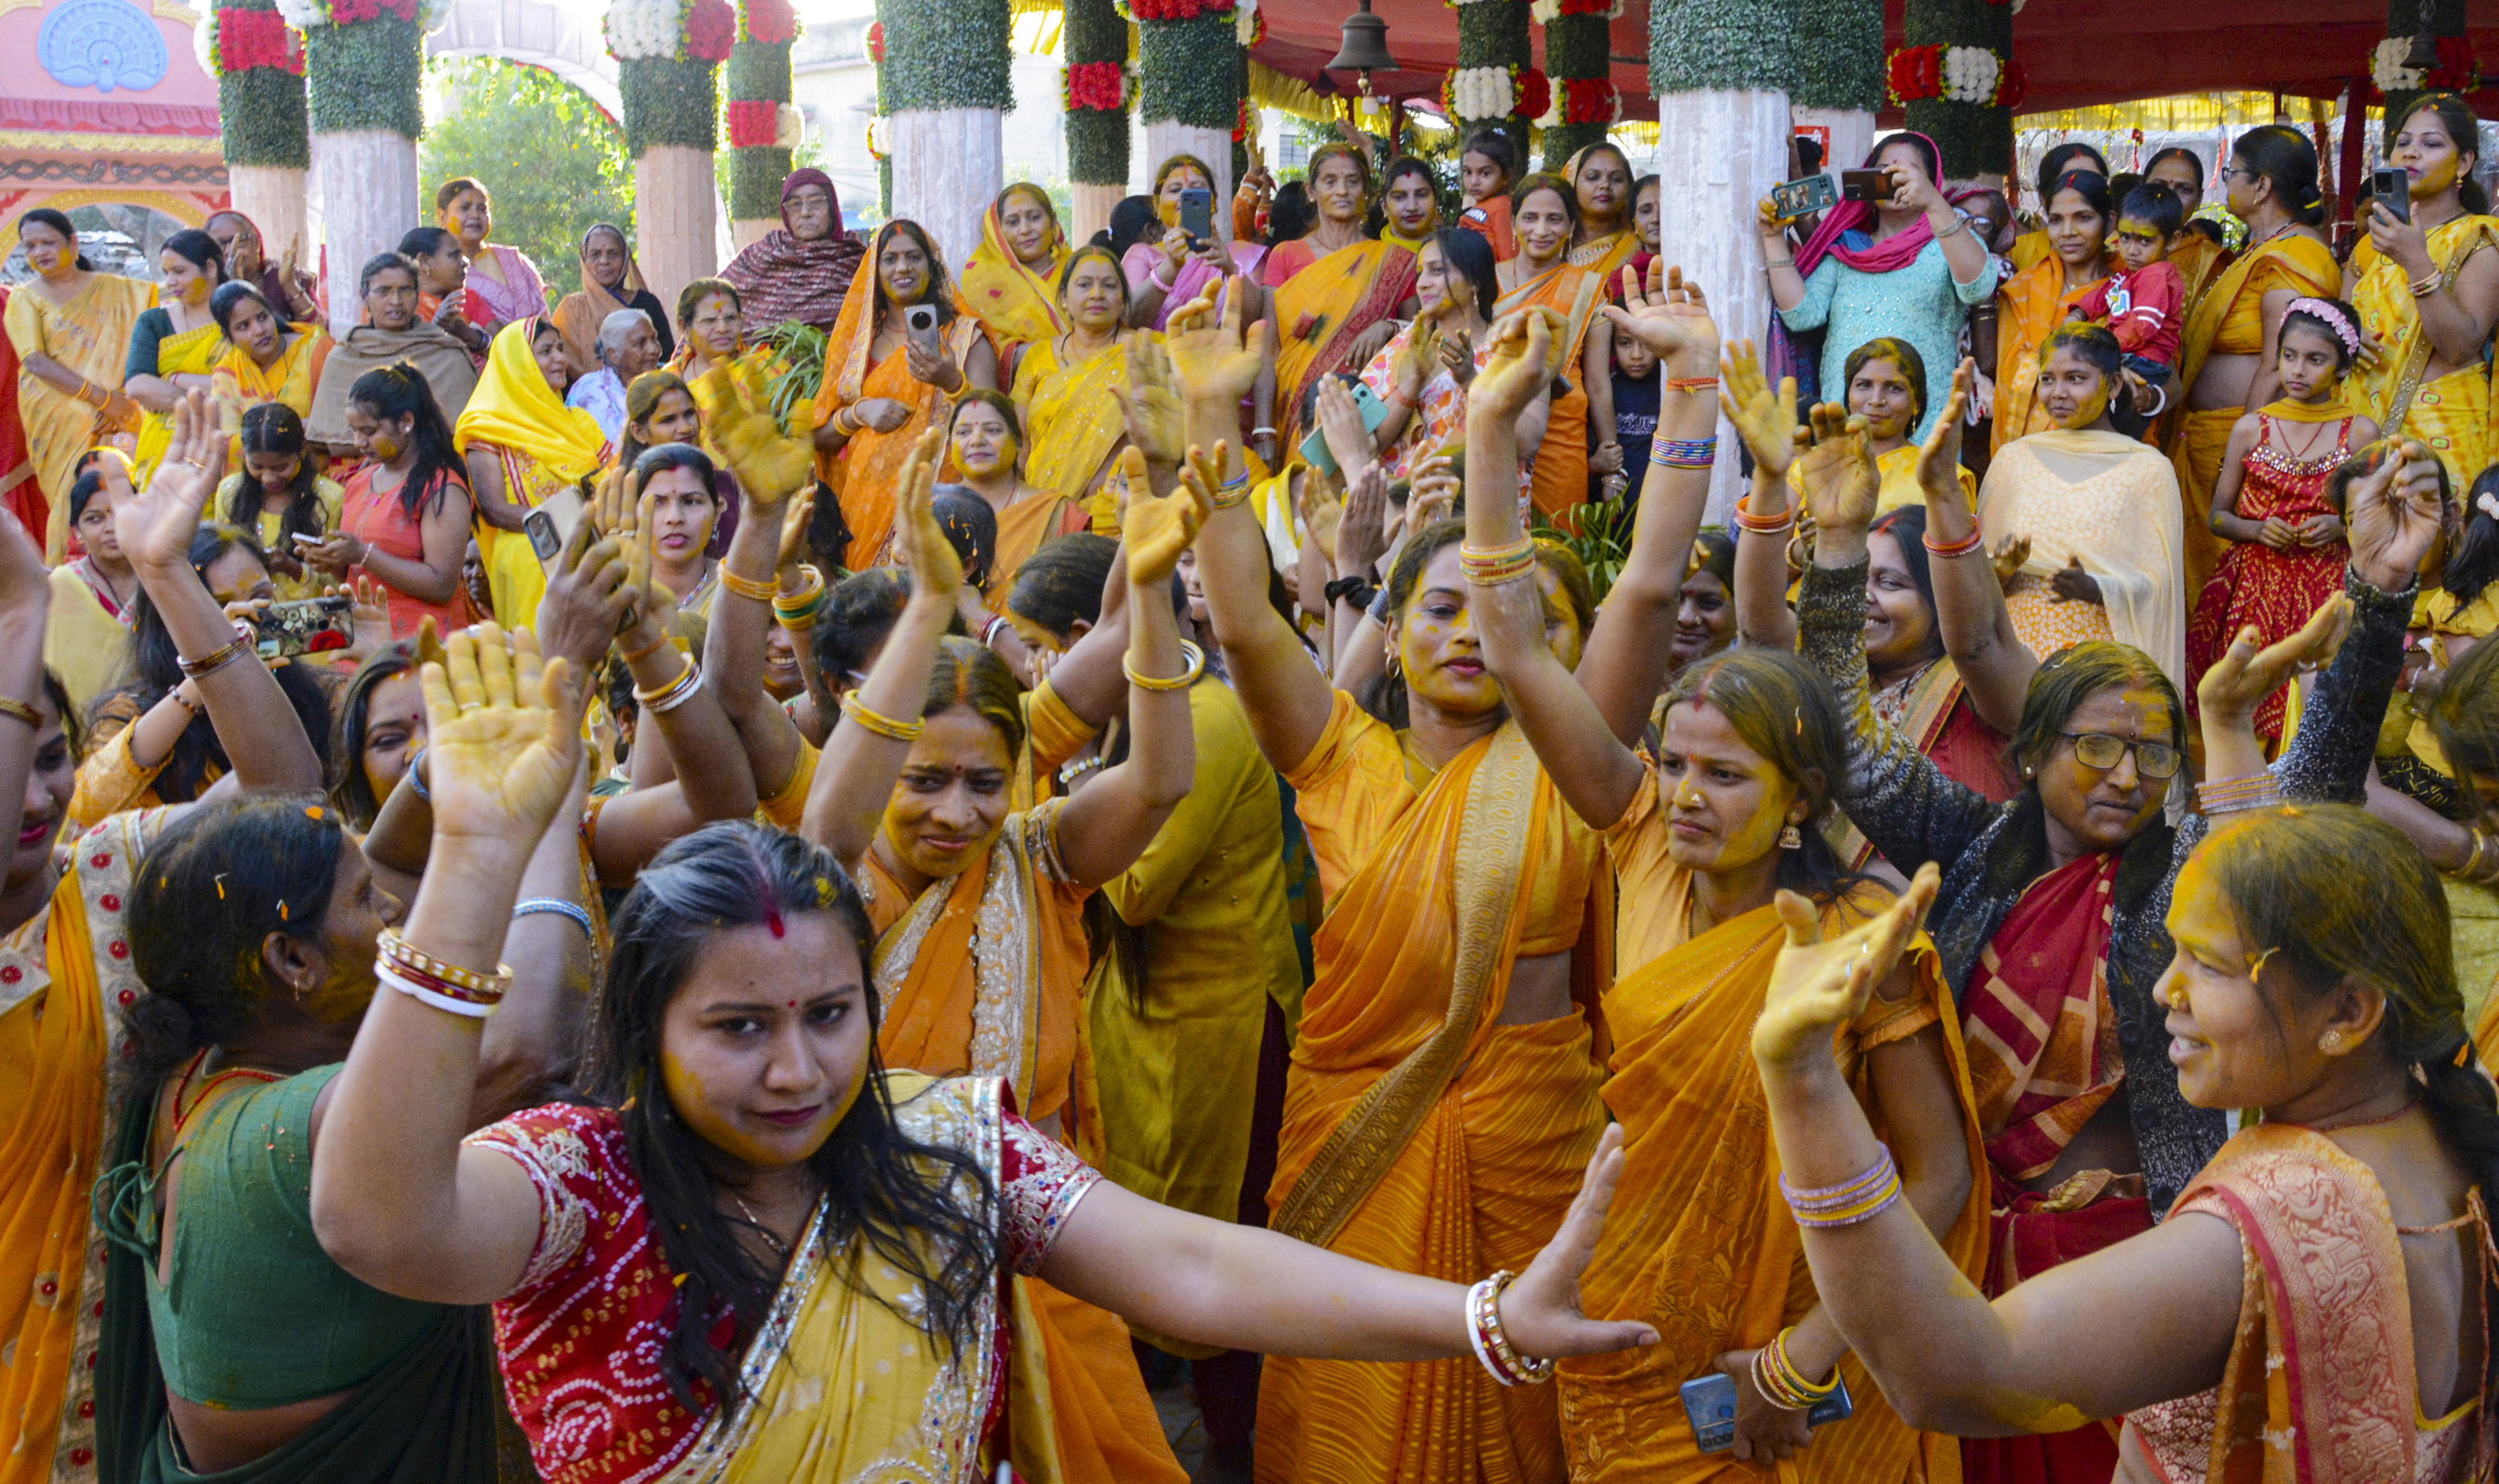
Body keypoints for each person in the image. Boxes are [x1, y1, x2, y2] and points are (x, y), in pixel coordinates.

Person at [302, 592, 1657, 1484]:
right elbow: (377, 1224)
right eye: (736, 1028)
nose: (797, 1069)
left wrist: (1482, 1315)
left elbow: (1187, 1265)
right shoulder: (579, 1186)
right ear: (642, 1028)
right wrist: (475, 859)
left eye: (829, 1016)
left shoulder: (943, 1148)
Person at [1793, 410, 2446, 1484]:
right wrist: (1830, 552)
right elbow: (1853, 755)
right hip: (1962, 1248)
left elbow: (2315, 778)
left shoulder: (2197, 874)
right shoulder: (1975, 850)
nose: (2127, 774)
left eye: (2153, 751)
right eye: (2096, 744)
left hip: (2134, 1262)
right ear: (2035, 748)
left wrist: (2375, 594)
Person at [1454, 294, 1987, 1477]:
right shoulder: (1636, 833)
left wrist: (1798, 1362)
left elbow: (1935, 1171)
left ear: (1801, 799)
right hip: (1641, 1305)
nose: (1684, 794)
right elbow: (1512, 649)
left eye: (1724, 777)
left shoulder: (1861, 933)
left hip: (1810, 1342)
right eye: (1674, 765)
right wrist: (1490, 440)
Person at [1185, 270, 1703, 1480]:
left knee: (1533, 1424)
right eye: (1436, 609)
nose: (1467, 631)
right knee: (1355, 1418)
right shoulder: (1334, 758)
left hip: (1532, 1142)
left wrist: (1686, 383)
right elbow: (1249, 624)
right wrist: (1213, 420)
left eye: (1503, 616)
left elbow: (1650, 583)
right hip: (1355, 1138)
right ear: (1396, 633)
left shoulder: (1573, 762)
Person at [0, 391, 326, 1484]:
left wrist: (171, 578)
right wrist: (18, 622)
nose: (41, 794)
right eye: (19, 758)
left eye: (55, 759)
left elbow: (287, 795)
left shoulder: (106, 871)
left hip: (116, 1350)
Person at [90, 775, 587, 1481]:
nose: (392, 907)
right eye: (363, 899)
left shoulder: (195, 1071)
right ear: (292, 961)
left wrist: (436, 772)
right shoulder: (304, 1126)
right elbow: (527, 1050)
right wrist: (554, 807)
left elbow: (380, 871)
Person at [1724, 354, 2023, 824]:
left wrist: (1944, 491)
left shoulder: (1975, 688)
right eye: (1857, 579)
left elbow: (1979, 644)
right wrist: (1769, 478)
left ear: (1935, 597)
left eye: (1889, 582)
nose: (1860, 596)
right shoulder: (1827, 678)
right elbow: (1759, 627)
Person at [2184, 298, 2376, 743]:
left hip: (2325, 592)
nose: (2298, 371)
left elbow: (2375, 518)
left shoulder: (2360, 433)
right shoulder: (2251, 428)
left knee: (2312, 716)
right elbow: (2217, 516)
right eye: (2288, 356)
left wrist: (2340, 527)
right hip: (2254, 591)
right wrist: (2254, 529)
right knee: (2244, 711)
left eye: (2316, 360)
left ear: (2343, 367)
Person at [2172, 125, 2340, 604]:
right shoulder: (2262, 249)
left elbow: (2279, 365)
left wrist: (2246, 453)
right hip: (2210, 436)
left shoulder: (2293, 257)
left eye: (2232, 173)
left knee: (2236, 587)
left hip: (2244, 444)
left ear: (2262, 186)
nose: (2227, 183)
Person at [73, 522, 335, 822]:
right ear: (168, 622)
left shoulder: (317, 692)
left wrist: (376, 657)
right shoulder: (131, 712)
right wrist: (208, 671)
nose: (247, 620)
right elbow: (87, 806)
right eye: (220, 608)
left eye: (261, 597)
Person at [1983, 323, 2187, 687]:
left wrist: (2094, 589)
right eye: (2047, 379)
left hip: (2100, 669)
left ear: (2112, 386)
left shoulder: (2148, 468)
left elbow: (2160, 588)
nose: (2057, 393)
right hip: (2010, 663)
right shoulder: (2013, 459)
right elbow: (1971, 584)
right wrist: (2000, 569)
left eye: (2075, 379)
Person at [1766, 132, 1994, 442]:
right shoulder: (1849, 247)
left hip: (1920, 427)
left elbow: (1978, 288)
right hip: (1846, 421)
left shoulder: (1949, 243)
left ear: (1931, 180)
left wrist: (1934, 204)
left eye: (1908, 170)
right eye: (1883, 169)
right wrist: (1772, 239)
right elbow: (1802, 315)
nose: (1893, 178)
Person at [811, 220, 998, 568]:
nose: (903, 268)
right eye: (891, 259)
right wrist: (858, 414)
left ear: (933, 265)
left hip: (937, 507)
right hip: (861, 510)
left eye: (914, 257)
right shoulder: (856, 343)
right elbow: (819, 436)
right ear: (874, 270)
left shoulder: (965, 335)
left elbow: (993, 419)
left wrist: (951, 382)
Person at [2345, 93, 2499, 496]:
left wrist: (2415, 260)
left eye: (2431, 144)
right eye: (2404, 142)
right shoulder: (2373, 246)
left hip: (2440, 432)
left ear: (2463, 163)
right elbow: (2339, 320)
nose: (2412, 152)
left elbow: (2460, 346)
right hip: (2363, 428)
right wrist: (2345, 334)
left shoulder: (2478, 239)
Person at [6, 208, 154, 557]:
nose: (39, 252)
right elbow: (35, 362)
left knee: (121, 490)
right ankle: (73, 586)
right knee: (69, 499)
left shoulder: (122, 293)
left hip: (119, 418)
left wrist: (119, 403)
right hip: (60, 421)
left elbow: (142, 348)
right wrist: (104, 400)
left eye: (48, 242)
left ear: (72, 242)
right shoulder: (24, 298)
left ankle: (135, 579)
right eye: (30, 246)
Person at [456, 317, 610, 630]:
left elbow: (611, 480)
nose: (560, 359)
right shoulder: (486, 429)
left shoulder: (580, 421)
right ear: (519, 363)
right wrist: (568, 529)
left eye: (560, 349)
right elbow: (494, 509)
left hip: (592, 548)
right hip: (530, 555)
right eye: (546, 351)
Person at [1262, 144, 1421, 447]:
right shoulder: (1285, 256)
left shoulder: (1393, 262)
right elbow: (1269, 349)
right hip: (1296, 411)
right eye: (1330, 181)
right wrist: (1263, 431)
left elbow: (1419, 336)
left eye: (1353, 181)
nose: (1342, 191)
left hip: (1371, 412)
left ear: (1367, 190)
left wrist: (1388, 326)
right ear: (1311, 190)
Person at [303, 362, 475, 638]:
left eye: (370, 431)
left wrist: (364, 554)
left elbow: (442, 584)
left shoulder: (442, 486)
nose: (359, 442)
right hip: (363, 641)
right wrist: (332, 561)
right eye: (354, 430)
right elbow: (358, 575)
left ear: (406, 422)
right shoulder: (359, 482)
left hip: (422, 645)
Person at [1012, 243, 1152, 528]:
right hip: (1042, 513)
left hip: (1118, 513)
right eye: (1084, 285)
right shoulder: (1038, 357)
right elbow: (1020, 446)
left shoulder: (1148, 351)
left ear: (1124, 297)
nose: (1097, 295)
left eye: (1110, 285)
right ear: (1064, 298)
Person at [1495, 175, 1608, 515]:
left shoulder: (1588, 289)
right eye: (1530, 218)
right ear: (1514, 223)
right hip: (1498, 423)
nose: (1541, 230)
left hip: (1561, 436)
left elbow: (1598, 382)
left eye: (1554, 219)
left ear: (1571, 226)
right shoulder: (1487, 281)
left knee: (1559, 551)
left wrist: (1610, 450)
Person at [1354, 229, 1501, 480]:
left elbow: (1526, 442)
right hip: (1404, 505)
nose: (1422, 284)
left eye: (1437, 270)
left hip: (1481, 504)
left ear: (1475, 279)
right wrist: (1416, 379)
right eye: (1421, 273)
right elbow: (1366, 442)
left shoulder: (1508, 347)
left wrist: (1470, 381)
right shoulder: (1406, 344)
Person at [1993, 170, 2117, 450]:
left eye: (2083, 218)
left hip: (2097, 449)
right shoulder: (2024, 288)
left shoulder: (2129, 291)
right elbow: (2005, 374)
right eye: (2057, 220)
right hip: (2021, 450)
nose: (2068, 232)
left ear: (2110, 222)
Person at [307, 254, 478, 456]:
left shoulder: (447, 355)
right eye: (384, 292)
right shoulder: (345, 356)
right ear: (365, 297)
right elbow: (334, 443)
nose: (396, 301)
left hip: (434, 471)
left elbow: (468, 436)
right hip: (360, 474)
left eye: (405, 291)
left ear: (418, 296)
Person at [949, 389, 1084, 607]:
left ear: (1019, 442)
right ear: (950, 445)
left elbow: (1077, 597)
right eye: (963, 433)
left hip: (1031, 639)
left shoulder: (1054, 511)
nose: (977, 440)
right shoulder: (930, 510)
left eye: (992, 430)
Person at [124, 230, 229, 483]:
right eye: (167, 273)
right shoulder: (155, 322)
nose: (170, 281)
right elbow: (138, 385)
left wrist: (173, 379)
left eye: (179, 272)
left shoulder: (240, 317)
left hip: (231, 447)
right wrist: (214, 402)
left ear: (211, 268)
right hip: (165, 452)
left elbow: (251, 384)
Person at [215, 403, 345, 601]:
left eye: (280, 467)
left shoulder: (331, 498)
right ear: (245, 456)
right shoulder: (230, 492)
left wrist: (294, 569)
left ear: (302, 451)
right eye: (257, 466)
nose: (268, 478)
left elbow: (341, 582)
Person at [720, 167, 867, 337]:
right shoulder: (760, 257)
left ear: (832, 208)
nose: (805, 213)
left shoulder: (857, 264)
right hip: (758, 362)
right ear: (785, 212)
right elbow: (711, 301)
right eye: (796, 204)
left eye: (816, 202)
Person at [2071, 181, 2187, 390]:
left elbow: (2141, 328)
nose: (2132, 250)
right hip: (2127, 352)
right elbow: (2106, 293)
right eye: (2125, 237)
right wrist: (2078, 314)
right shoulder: (2132, 273)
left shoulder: (2157, 276)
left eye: (2145, 241)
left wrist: (2102, 346)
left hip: (2144, 360)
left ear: (2172, 241)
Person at [44, 458, 136, 712]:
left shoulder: (164, 576)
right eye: (95, 519)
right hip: (90, 726)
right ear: (77, 532)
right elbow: (63, 673)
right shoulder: (64, 586)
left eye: (119, 513)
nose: (111, 527)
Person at [957, 182, 1070, 382]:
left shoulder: (1078, 269)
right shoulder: (984, 280)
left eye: (1034, 218)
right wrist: (1064, 349)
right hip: (1021, 398)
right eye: (1013, 222)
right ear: (998, 232)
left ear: (1053, 222)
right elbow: (985, 350)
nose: (1025, 229)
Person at [208, 281, 331, 446]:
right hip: (260, 469)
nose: (259, 330)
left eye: (263, 317)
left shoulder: (316, 348)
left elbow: (343, 423)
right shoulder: (228, 371)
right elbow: (230, 441)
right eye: (244, 326)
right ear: (228, 335)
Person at [551, 221, 673, 378]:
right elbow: (565, 366)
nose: (604, 261)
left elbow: (667, 358)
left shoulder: (647, 303)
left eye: (613, 253)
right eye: (595, 255)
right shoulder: (570, 310)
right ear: (585, 260)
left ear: (625, 258)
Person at [435, 176, 547, 339]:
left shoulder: (516, 262)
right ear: (442, 217)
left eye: (482, 209)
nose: (475, 215)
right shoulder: (437, 269)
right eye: (465, 208)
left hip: (532, 357)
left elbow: (543, 319)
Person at [2144, 147, 2230, 314]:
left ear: (2198, 200)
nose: (2169, 197)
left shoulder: (2211, 261)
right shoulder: (2115, 251)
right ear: (2140, 189)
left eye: (2184, 190)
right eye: (2158, 186)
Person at [203, 210, 322, 327]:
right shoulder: (203, 290)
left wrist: (291, 287)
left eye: (240, 242)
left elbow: (321, 334)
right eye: (219, 244)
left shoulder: (282, 277)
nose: (230, 251)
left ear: (257, 244)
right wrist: (234, 288)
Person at [2006, 141, 2109, 275]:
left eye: (2093, 183)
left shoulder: (2128, 250)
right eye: (2070, 182)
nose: (2082, 191)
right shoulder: (2017, 252)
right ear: (2043, 196)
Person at [395, 225, 490, 361]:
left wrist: (468, 335)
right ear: (424, 261)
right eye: (454, 255)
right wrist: (436, 331)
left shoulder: (467, 299)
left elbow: (511, 353)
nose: (465, 263)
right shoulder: (396, 308)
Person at [567, 307, 661, 443]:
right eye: (641, 343)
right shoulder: (588, 391)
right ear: (613, 354)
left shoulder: (664, 383)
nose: (654, 349)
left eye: (654, 339)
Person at [1563, 142, 1641, 285]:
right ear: (1572, 183)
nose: (1605, 185)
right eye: (1593, 177)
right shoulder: (1552, 244)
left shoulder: (1638, 249)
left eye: (1617, 179)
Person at [1457, 128, 1521, 260]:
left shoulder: (1501, 208)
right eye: (1468, 172)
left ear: (1506, 176)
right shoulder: (1482, 204)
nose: (1474, 181)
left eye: (1485, 173)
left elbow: (1508, 256)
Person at [1378, 155, 1443, 254]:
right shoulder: (1370, 259)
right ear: (1385, 207)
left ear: (1436, 202)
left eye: (1422, 195)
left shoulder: (1453, 254)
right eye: (1399, 197)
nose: (1412, 207)